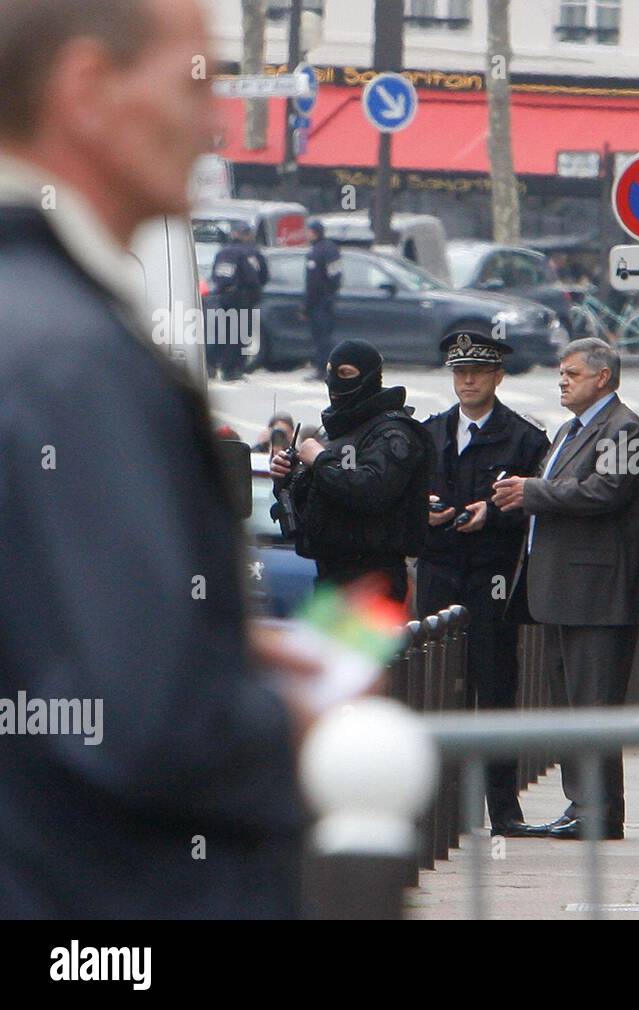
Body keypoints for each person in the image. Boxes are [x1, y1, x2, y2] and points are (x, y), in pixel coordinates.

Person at [0, 0, 306, 917]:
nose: (217, 122)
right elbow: (143, 721)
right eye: (195, 81)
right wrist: (294, 720)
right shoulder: (70, 357)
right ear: (87, 90)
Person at [491, 338, 639, 840]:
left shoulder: (624, 427)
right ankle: (581, 805)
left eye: (572, 374)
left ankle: (600, 812)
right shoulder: (568, 429)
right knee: (568, 703)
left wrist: (531, 491)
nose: (562, 381)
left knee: (593, 705)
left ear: (602, 377)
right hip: (560, 588)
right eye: (561, 374)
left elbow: (606, 491)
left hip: (599, 592)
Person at [417, 329, 549, 837]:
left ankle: (503, 808)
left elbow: (537, 509)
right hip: (439, 571)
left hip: (491, 574)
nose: (467, 381)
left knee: (494, 684)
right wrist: (425, 514)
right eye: (459, 371)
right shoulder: (428, 434)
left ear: (497, 376)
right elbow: (405, 501)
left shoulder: (525, 438)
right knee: (434, 688)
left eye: (477, 371)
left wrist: (491, 513)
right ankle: (436, 805)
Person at [270, 339, 430, 604]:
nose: (334, 382)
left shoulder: (393, 433)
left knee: (358, 647)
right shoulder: (338, 430)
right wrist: (288, 476)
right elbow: (318, 502)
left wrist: (320, 460)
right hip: (331, 575)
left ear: (368, 377)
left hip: (373, 580)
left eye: (345, 374)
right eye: (330, 372)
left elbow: (372, 490)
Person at [209, 221, 267, 381]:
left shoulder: (222, 253)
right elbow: (256, 277)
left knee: (222, 333)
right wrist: (255, 295)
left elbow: (215, 275)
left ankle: (211, 364)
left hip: (223, 298)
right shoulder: (249, 253)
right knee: (239, 335)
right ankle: (232, 369)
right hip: (241, 298)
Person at [305, 219, 342, 380]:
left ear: (314, 232)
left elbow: (313, 282)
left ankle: (322, 369)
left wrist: (307, 305)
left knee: (321, 337)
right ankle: (325, 367)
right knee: (325, 335)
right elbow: (336, 276)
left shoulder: (318, 252)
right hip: (328, 298)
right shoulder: (332, 249)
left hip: (319, 300)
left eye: (308, 231)